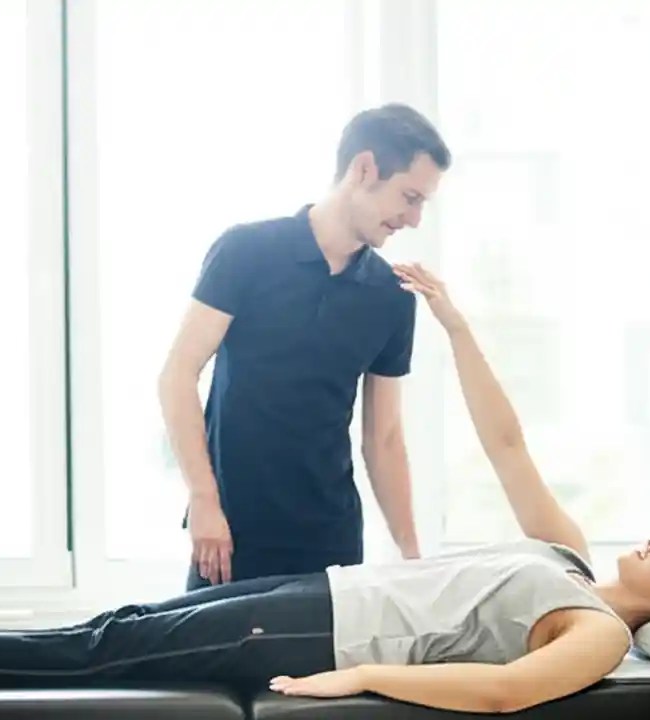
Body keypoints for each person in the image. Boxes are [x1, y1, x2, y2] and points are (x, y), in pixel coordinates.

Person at [0, 263, 650, 714]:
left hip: (333, 632)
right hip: (329, 590)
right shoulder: (567, 558)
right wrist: (457, 325)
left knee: (111, 648)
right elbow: (507, 446)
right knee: (122, 628)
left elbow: (506, 693)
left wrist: (369, 676)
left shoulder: (591, 632)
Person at [158, 103, 452, 590]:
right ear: (364, 169)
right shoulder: (246, 252)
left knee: (319, 670)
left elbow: (384, 438)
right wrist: (203, 500)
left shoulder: (392, 297)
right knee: (209, 666)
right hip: (229, 536)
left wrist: (411, 556)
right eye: (409, 197)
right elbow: (177, 375)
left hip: (331, 548)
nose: (415, 219)